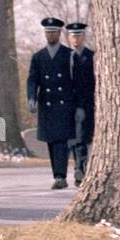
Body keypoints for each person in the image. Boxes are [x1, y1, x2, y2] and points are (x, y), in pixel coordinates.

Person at [26, 15, 74, 188]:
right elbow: (32, 80)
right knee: (51, 142)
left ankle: (60, 176)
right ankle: (57, 174)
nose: (50, 35)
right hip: (46, 104)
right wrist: (31, 98)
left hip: (64, 104)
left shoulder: (69, 55)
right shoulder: (38, 57)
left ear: (60, 33)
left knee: (61, 141)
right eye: (48, 32)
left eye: (53, 32)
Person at [67, 21, 95, 185]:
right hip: (69, 104)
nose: (75, 38)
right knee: (72, 139)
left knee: (82, 137)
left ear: (83, 37)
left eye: (78, 35)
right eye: (73, 35)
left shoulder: (91, 56)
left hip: (85, 103)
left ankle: (80, 167)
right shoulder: (66, 57)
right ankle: (78, 167)